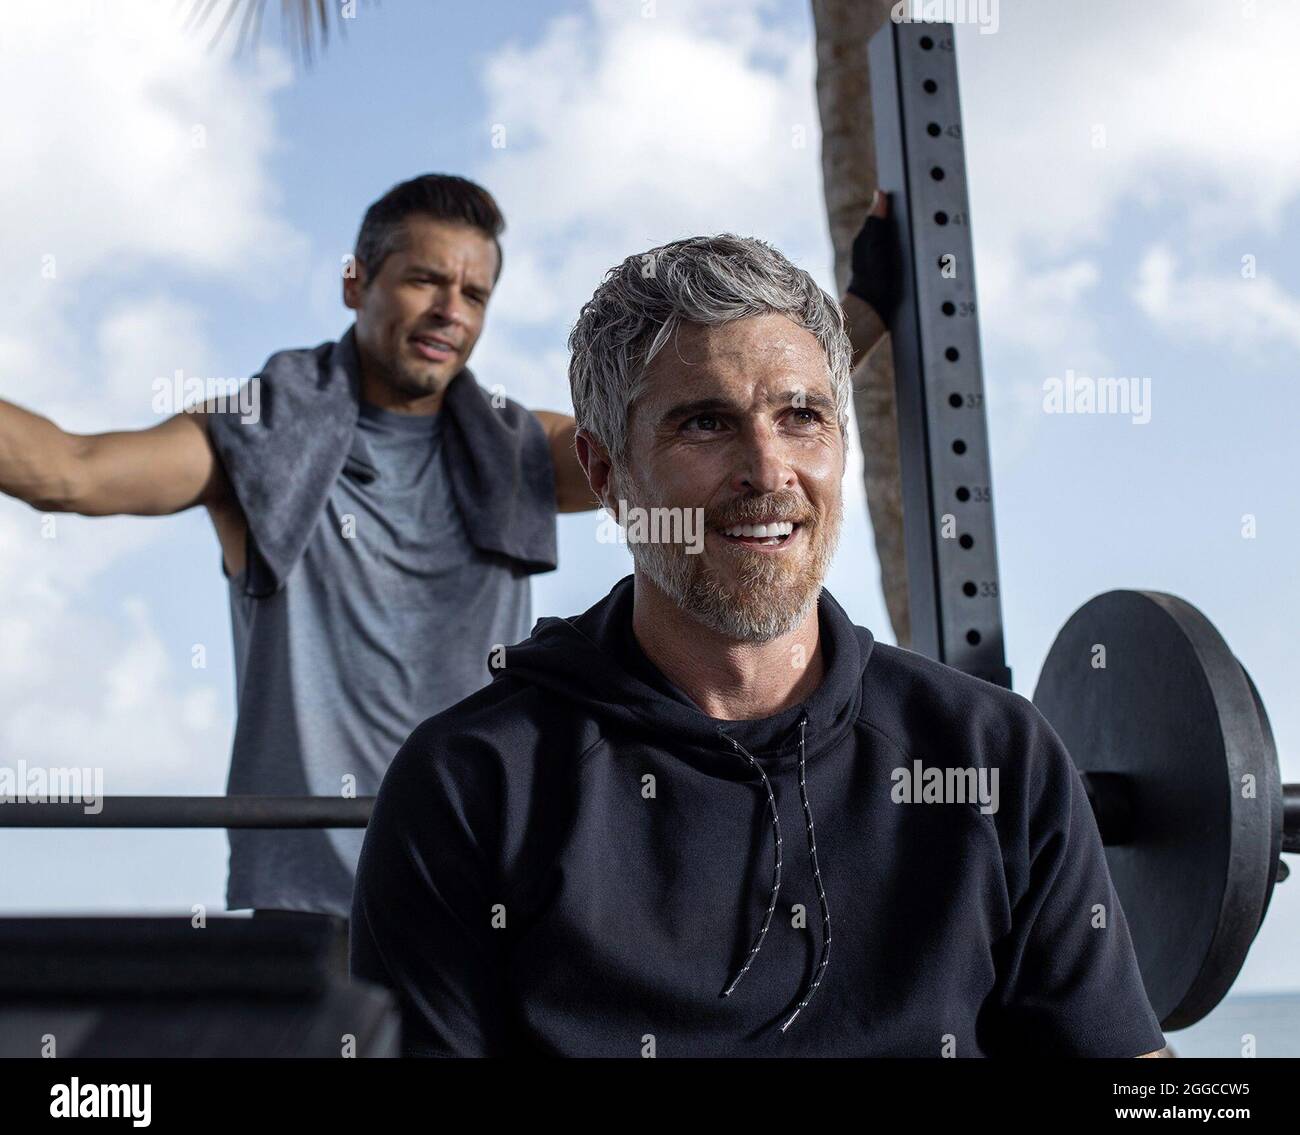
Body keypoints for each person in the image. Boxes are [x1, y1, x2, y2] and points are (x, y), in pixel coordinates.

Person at [350, 225, 1169, 1057]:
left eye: (803, 415)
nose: (768, 469)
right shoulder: (469, 786)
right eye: (706, 424)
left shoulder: (994, 755)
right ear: (605, 475)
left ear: (840, 445)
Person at [0, 174, 600, 922]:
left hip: (487, 895)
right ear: (356, 283)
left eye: (474, 294)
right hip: (309, 903)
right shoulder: (256, 436)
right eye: (424, 280)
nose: (451, 311)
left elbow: (671, 469)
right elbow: (70, 471)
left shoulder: (525, 449)